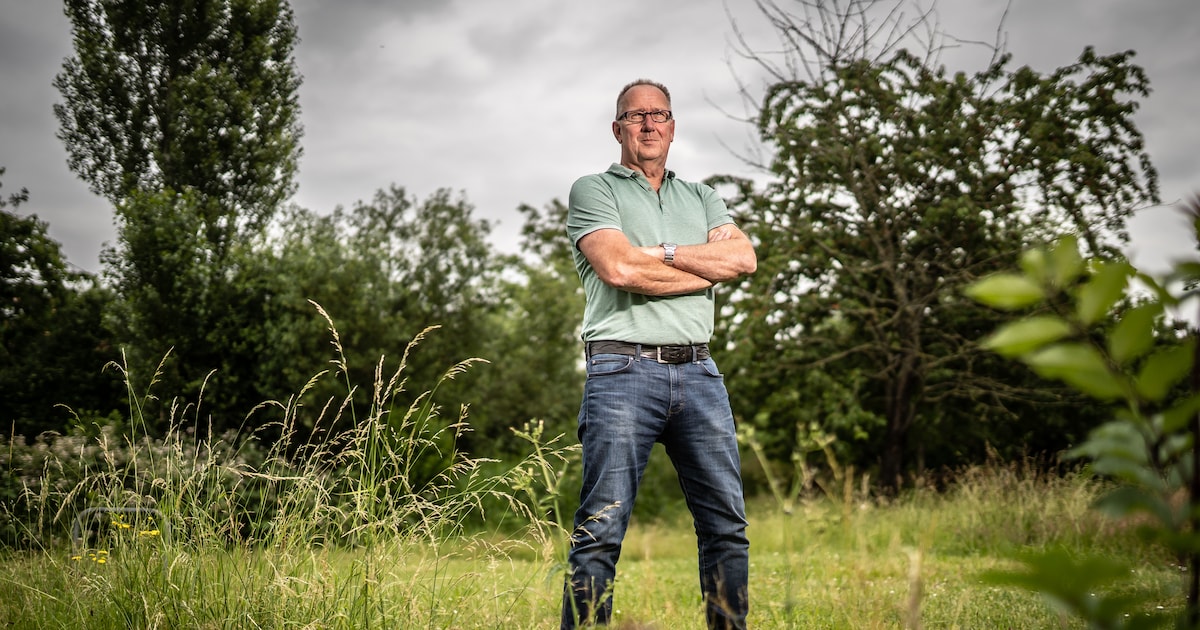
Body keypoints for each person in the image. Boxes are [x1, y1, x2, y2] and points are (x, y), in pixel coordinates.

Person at [560, 79, 757, 630]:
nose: (648, 124)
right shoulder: (594, 190)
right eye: (636, 115)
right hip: (622, 369)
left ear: (672, 127)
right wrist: (701, 272)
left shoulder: (703, 197)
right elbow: (620, 269)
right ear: (617, 128)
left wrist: (663, 252)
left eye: (659, 114)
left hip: (700, 372)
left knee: (726, 527)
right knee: (601, 530)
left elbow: (742, 259)